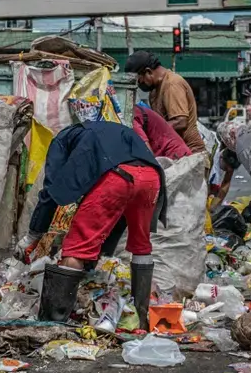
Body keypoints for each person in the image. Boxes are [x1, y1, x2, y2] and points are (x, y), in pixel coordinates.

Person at [19, 120, 164, 329]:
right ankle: (140, 319)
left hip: (118, 178)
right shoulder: (109, 132)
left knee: (76, 247)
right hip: (152, 178)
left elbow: (51, 190)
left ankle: (55, 321)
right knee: (141, 244)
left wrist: (33, 235)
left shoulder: (61, 141)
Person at [126, 50, 205, 153]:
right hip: (174, 153)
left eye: (140, 81)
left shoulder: (171, 84)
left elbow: (181, 122)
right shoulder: (154, 91)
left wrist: (152, 132)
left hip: (191, 155)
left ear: (148, 71)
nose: (140, 85)